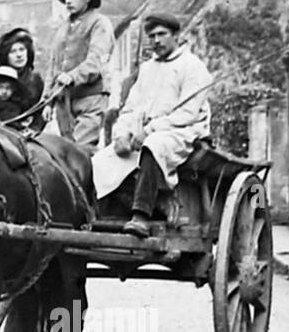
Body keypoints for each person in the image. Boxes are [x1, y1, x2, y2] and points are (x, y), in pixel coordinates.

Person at [91, 12, 213, 238]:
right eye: (152, 36)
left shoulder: (192, 67)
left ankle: (141, 216)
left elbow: (187, 113)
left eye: (162, 34)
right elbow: (130, 108)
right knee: (101, 160)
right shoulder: (147, 69)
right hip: (144, 131)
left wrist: (148, 131)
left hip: (183, 132)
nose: (156, 41)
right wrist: (121, 133)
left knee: (154, 146)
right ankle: (135, 208)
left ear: (176, 35)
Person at [46, 0, 115, 152]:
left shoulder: (100, 24)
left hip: (90, 99)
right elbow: (53, 66)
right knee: (67, 155)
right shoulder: (62, 28)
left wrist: (72, 76)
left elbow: (97, 60)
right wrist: (48, 100)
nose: (68, 1)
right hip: (64, 102)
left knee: (82, 152)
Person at [0, 27, 46, 132]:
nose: (19, 55)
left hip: (26, 135)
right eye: (13, 51)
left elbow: (41, 113)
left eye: (22, 50)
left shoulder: (35, 80)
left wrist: (33, 129)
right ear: (5, 55)